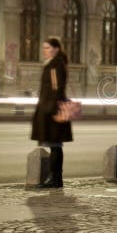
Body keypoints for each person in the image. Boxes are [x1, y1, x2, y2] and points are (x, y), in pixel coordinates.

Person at [31, 37, 73, 188]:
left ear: (56, 49)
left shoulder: (55, 65)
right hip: (51, 108)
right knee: (55, 145)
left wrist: (48, 109)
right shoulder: (53, 64)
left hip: (52, 111)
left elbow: (56, 88)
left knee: (55, 145)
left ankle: (54, 179)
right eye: (44, 48)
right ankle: (56, 178)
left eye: (48, 48)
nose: (45, 51)